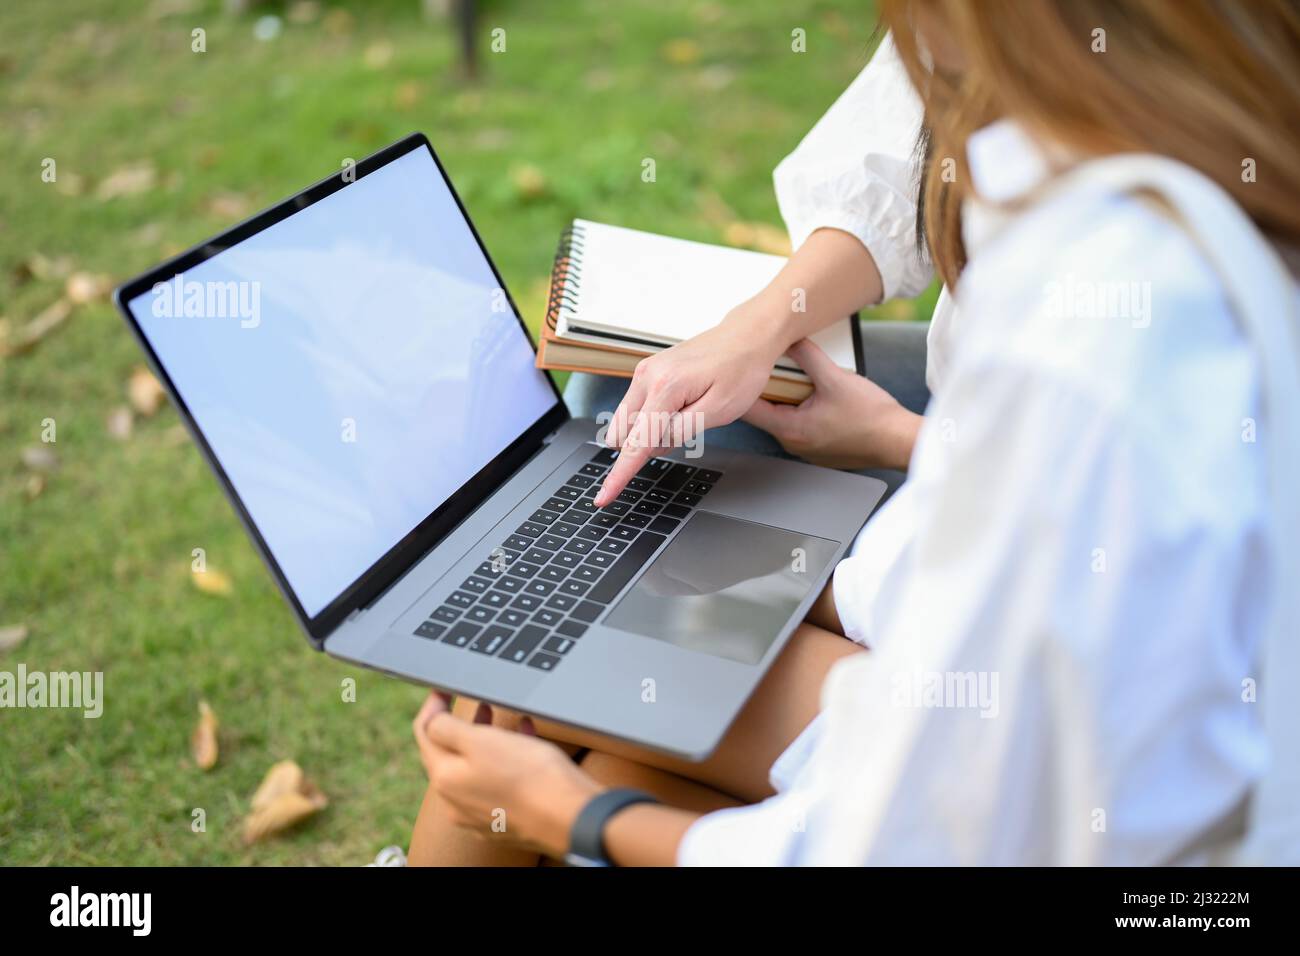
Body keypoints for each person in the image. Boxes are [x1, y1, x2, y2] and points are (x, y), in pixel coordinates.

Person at [409, 0, 1300, 866]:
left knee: (548, 712)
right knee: (593, 681)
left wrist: (575, 817)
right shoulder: (1207, 216)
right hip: (1095, 759)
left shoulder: (1080, 321)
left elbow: (908, 835)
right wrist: (878, 460)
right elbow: (1054, 540)